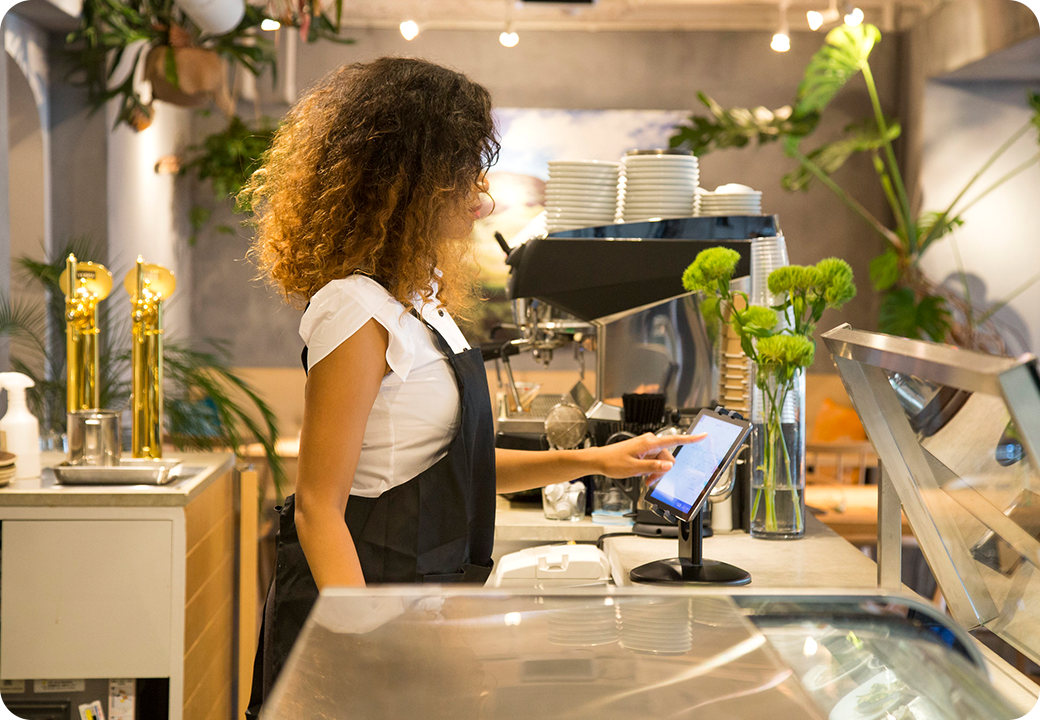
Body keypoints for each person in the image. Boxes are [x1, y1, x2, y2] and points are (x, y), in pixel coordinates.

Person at [241, 57, 704, 714]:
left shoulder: (420, 302)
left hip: (418, 611)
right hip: (360, 622)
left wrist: (599, 460)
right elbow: (319, 510)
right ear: (409, 181)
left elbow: (453, 468)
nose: (480, 192)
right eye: (463, 171)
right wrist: (372, 650)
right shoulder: (355, 309)